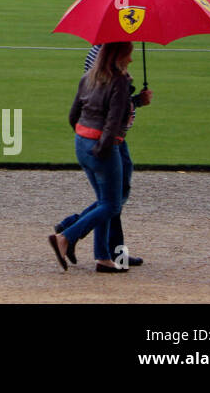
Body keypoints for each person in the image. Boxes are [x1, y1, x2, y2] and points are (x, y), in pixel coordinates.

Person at [54, 45, 152, 267]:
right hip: (108, 143)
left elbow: (79, 112)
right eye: (129, 54)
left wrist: (136, 100)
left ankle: (105, 256)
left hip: (85, 140)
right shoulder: (116, 77)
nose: (132, 59)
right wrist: (103, 146)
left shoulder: (92, 73)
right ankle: (68, 233)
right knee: (113, 202)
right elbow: (112, 114)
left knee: (109, 200)